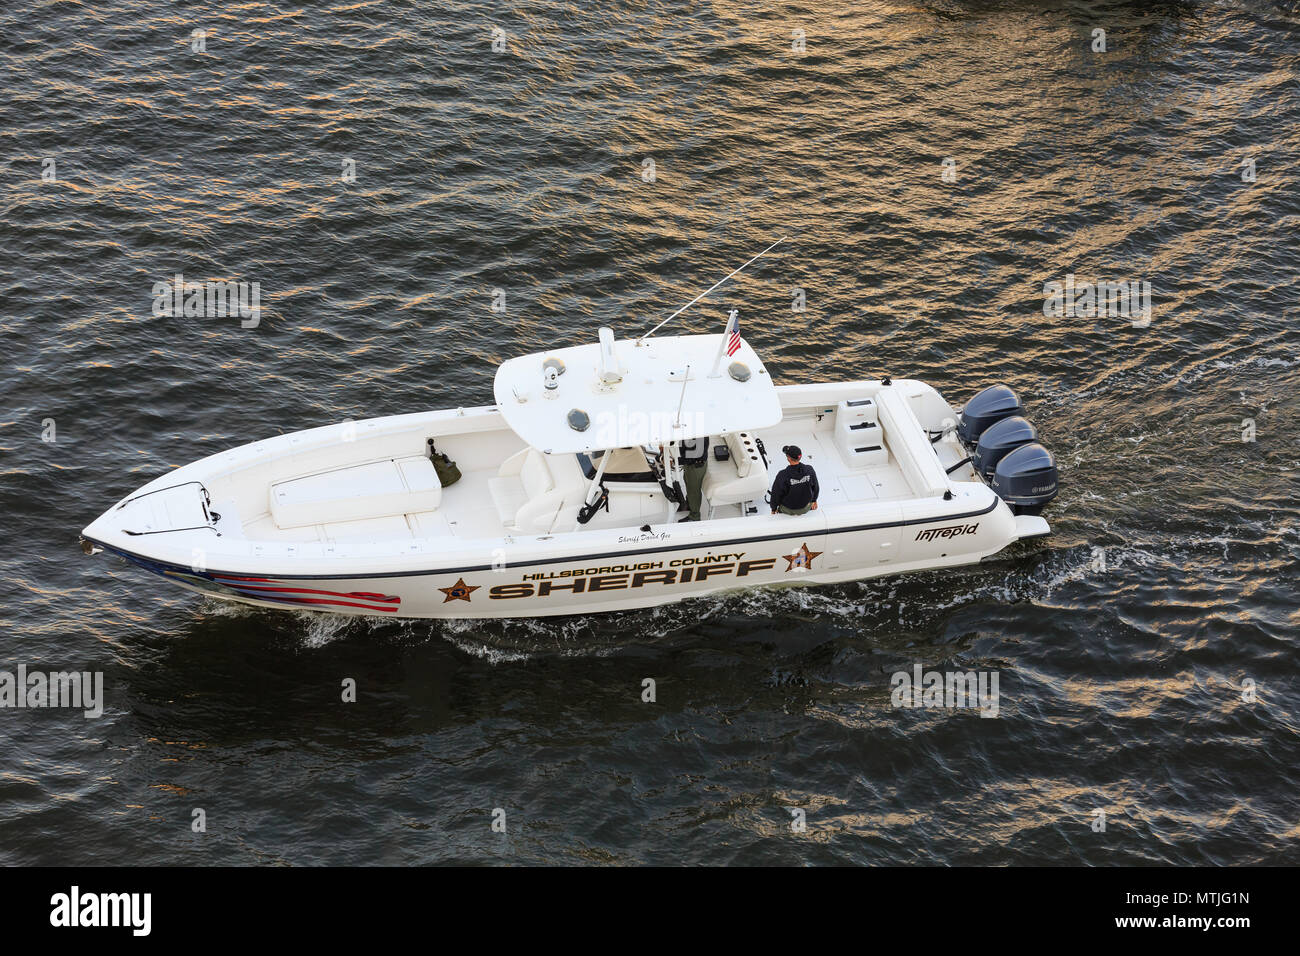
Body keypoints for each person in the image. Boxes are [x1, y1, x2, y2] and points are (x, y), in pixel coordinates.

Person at [770, 444, 819, 516]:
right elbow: (816, 488)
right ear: (800, 456)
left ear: (789, 458)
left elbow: (775, 494)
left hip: (789, 509)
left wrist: (773, 508)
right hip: (806, 507)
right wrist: (814, 500)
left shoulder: (782, 475)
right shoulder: (809, 469)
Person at [677, 435, 709, 521]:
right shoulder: (691, 428)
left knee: (693, 491)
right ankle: (688, 504)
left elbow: (695, 454)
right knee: (687, 482)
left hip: (696, 466)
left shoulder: (700, 435)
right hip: (689, 463)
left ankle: (695, 516)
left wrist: (676, 461)